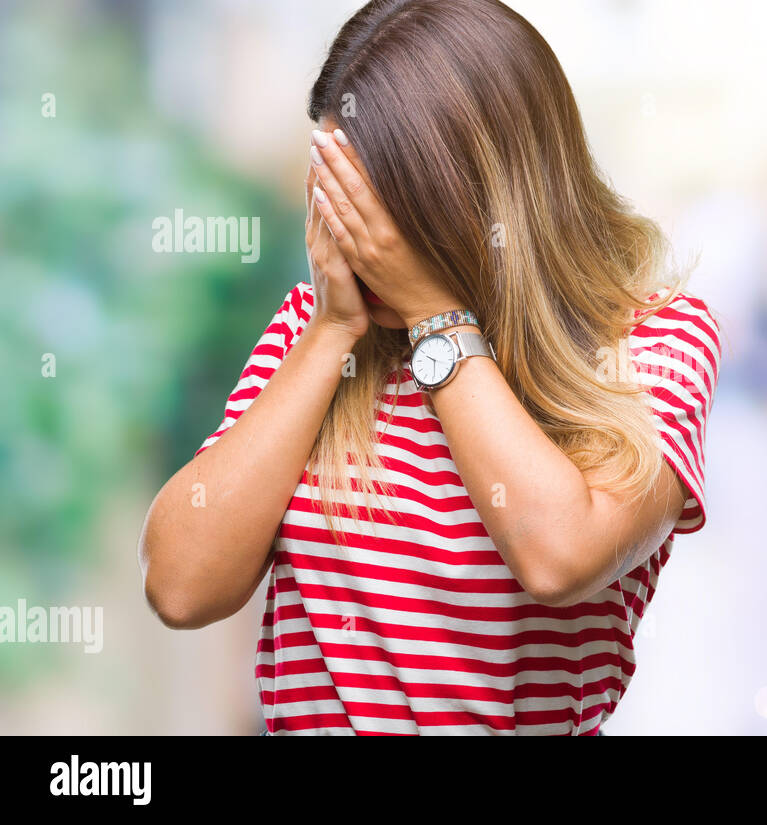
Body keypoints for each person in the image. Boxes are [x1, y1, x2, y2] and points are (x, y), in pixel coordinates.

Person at [138, 0, 720, 735]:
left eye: (371, 195)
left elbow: (560, 555)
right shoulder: (315, 331)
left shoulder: (652, 340)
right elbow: (180, 586)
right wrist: (332, 332)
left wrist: (436, 322)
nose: (348, 226)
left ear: (473, 187)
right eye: (334, 185)